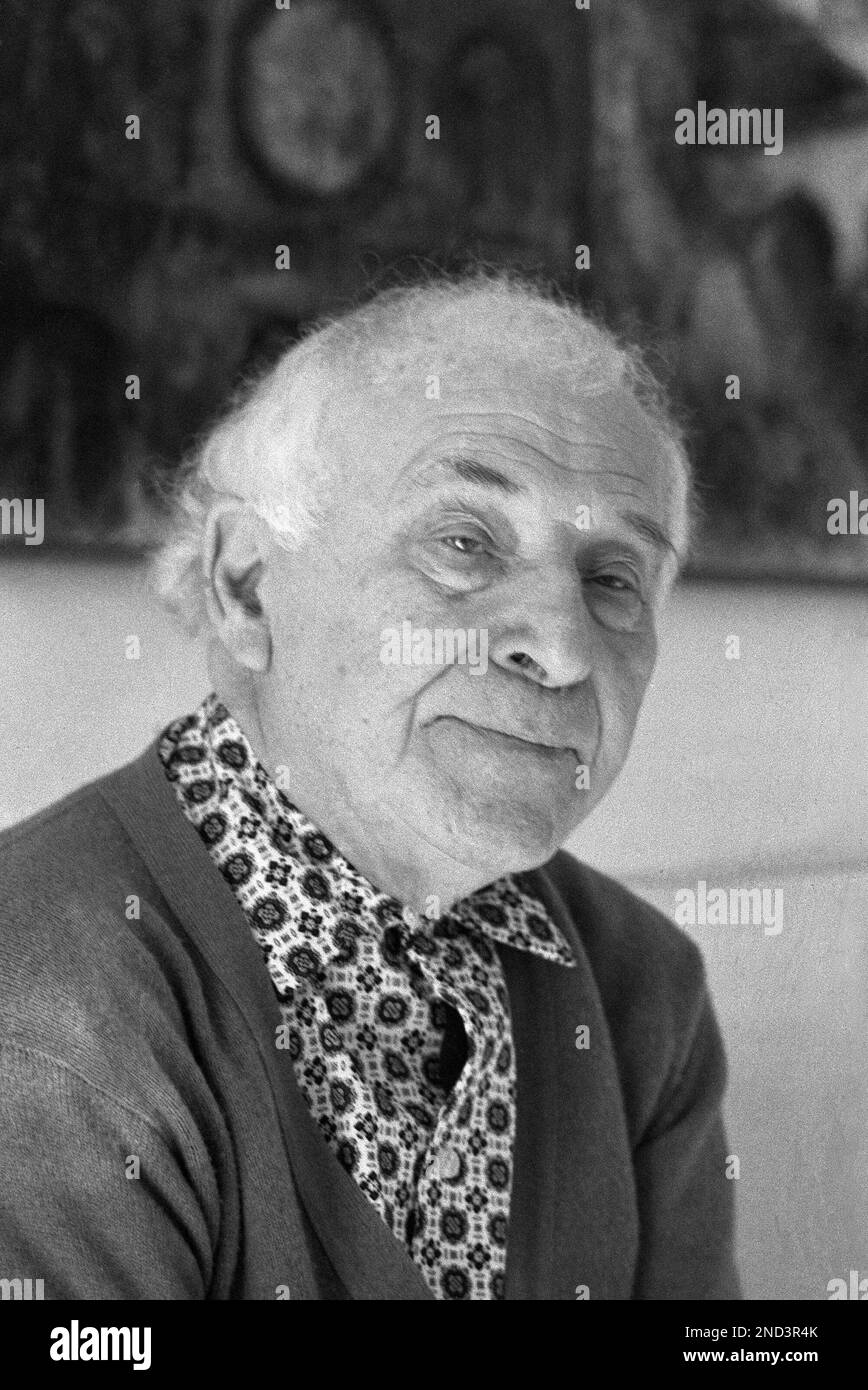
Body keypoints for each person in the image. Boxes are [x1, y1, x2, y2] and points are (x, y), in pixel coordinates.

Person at [0, 271, 740, 1300]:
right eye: (464, 543)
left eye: (613, 578)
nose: (564, 649)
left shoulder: (641, 988)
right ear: (246, 586)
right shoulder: (43, 999)